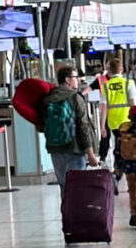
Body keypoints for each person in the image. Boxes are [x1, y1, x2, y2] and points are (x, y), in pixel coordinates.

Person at [40, 63, 97, 191]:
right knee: (76, 187)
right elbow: (83, 127)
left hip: (55, 148)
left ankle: (65, 210)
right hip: (74, 148)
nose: (78, 80)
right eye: (75, 77)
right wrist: (90, 153)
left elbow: (42, 125)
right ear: (67, 80)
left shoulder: (47, 99)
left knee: (63, 186)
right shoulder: (75, 98)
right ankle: (75, 211)